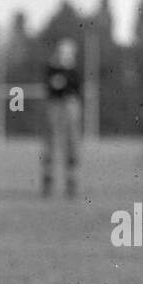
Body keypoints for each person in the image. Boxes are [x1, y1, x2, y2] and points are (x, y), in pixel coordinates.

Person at [40, 37, 82, 197]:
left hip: (70, 107)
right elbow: (51, 86)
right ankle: (47, 181)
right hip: (54, 106)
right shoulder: (51, 69)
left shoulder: (74, 71)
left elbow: (74, 90)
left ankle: (71, 182)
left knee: (71, 143)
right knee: (50, 143)